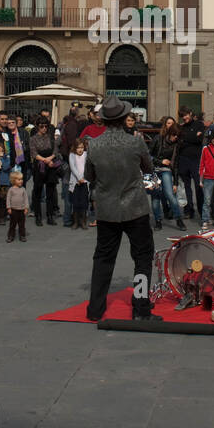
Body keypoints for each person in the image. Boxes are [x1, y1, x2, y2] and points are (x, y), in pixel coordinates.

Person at [84, 97, 159, 322]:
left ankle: (95, 309)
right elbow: (149, 167)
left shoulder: (94, 145)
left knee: (103, 258)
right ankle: (141, 308)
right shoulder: (135, 142)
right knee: (143, 258)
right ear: (123, 118)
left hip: (107, 209)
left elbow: (89, 176)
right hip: (135, 207)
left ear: (104, 120)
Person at [150, 117, 186, 232]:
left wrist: (175, 182)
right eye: (174, 135)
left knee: (171, 195)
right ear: (170, 132)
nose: (176, 138)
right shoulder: (158, 139)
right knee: (155, 197)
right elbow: (148, 156)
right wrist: (161, 161)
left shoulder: (176, 145)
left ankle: (178, 219)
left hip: (166, 171)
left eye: (178, 136)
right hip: (154, 170)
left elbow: (175, 165)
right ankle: (158, 221)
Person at [27, 117, 59, 227]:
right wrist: (45, 160)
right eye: (42, 126)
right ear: (37, 126)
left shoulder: (50, 137)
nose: (44, 128)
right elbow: (33, 153)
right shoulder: (33, 138)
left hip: (50, 165)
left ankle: (50, 215)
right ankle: (38, 216)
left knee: (50, 191)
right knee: (37, 191)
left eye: (46, 126)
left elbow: (56, 150)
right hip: (40, 165)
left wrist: (50, 158)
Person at [175, 107, 204, 220]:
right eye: (182, 116)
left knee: (198, 186)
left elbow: (199, 140)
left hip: (196, 160)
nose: (185, 117)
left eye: (186, 115)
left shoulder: (199, 124)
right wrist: (192, 137)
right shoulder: (181, 127)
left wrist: (185, 139)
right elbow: (180, 142)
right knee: (186, 187)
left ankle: (201, 210)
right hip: (183, 159)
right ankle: (189, 210)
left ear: (190, 113)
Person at [68, 139, 90, 229]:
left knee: (84, 203)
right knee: (75, 203)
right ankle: (76, 222)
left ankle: (83, 221)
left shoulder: (86, 155)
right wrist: (79, 178)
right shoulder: (72, 155)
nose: (80, 149)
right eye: (78, 148)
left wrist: (84, 178)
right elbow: (72, 167)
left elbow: (88, 167)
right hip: (76, 182)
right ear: (75, 148)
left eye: (82, 147)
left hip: (85, 182)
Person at [6, 169, 29, 242]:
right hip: (13, 210)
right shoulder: (11, 190)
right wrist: (8, 207)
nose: (21, 181)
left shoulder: (23, 189)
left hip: (21, 210)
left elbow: (26, 199)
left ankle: (22, 235)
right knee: (12, 224)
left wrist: (26, 208)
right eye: (19, 179)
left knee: (21, 224)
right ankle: (10, 236)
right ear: (13, 181)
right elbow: (8, 199)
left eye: (21, 179)